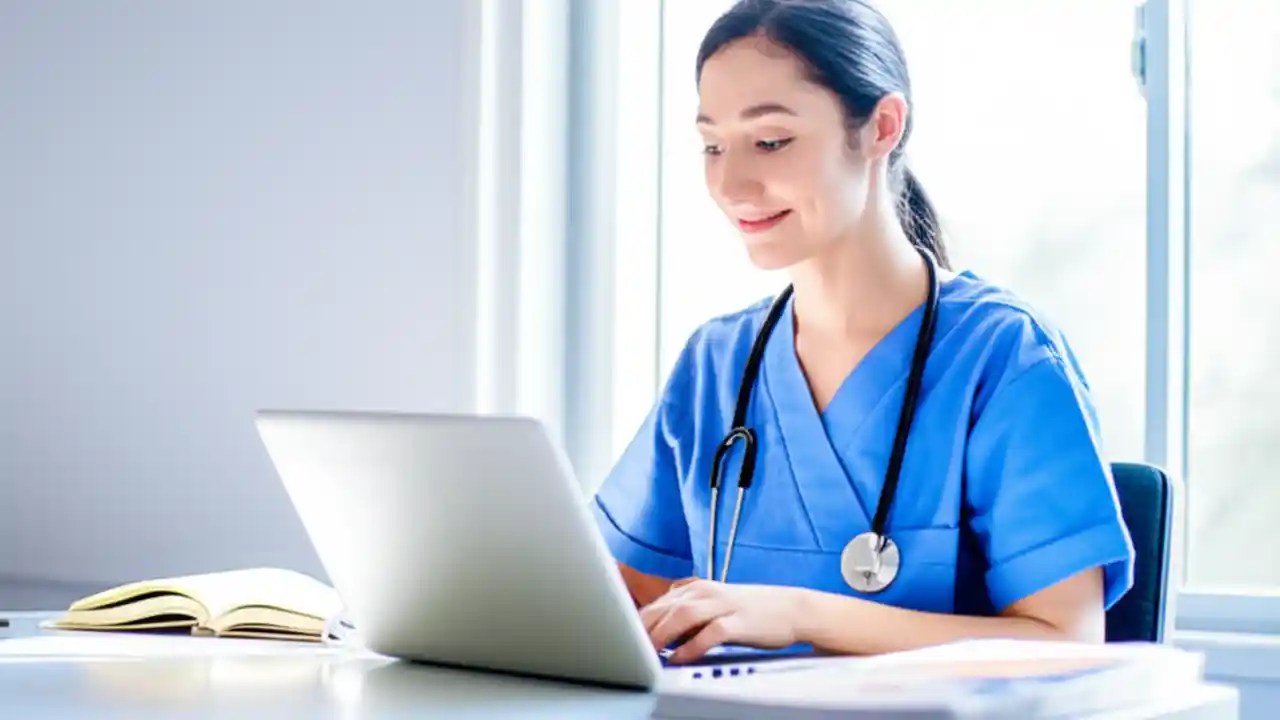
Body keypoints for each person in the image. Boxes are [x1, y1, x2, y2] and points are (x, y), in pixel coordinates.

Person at [590, 0, 1135, 664]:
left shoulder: (1003, 357)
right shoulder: (717, 364)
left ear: (882, 126)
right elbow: (622, 606)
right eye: (712, 145)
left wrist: (799, 613)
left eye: (770, 141)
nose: (730, 182)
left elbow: (1068, 645)